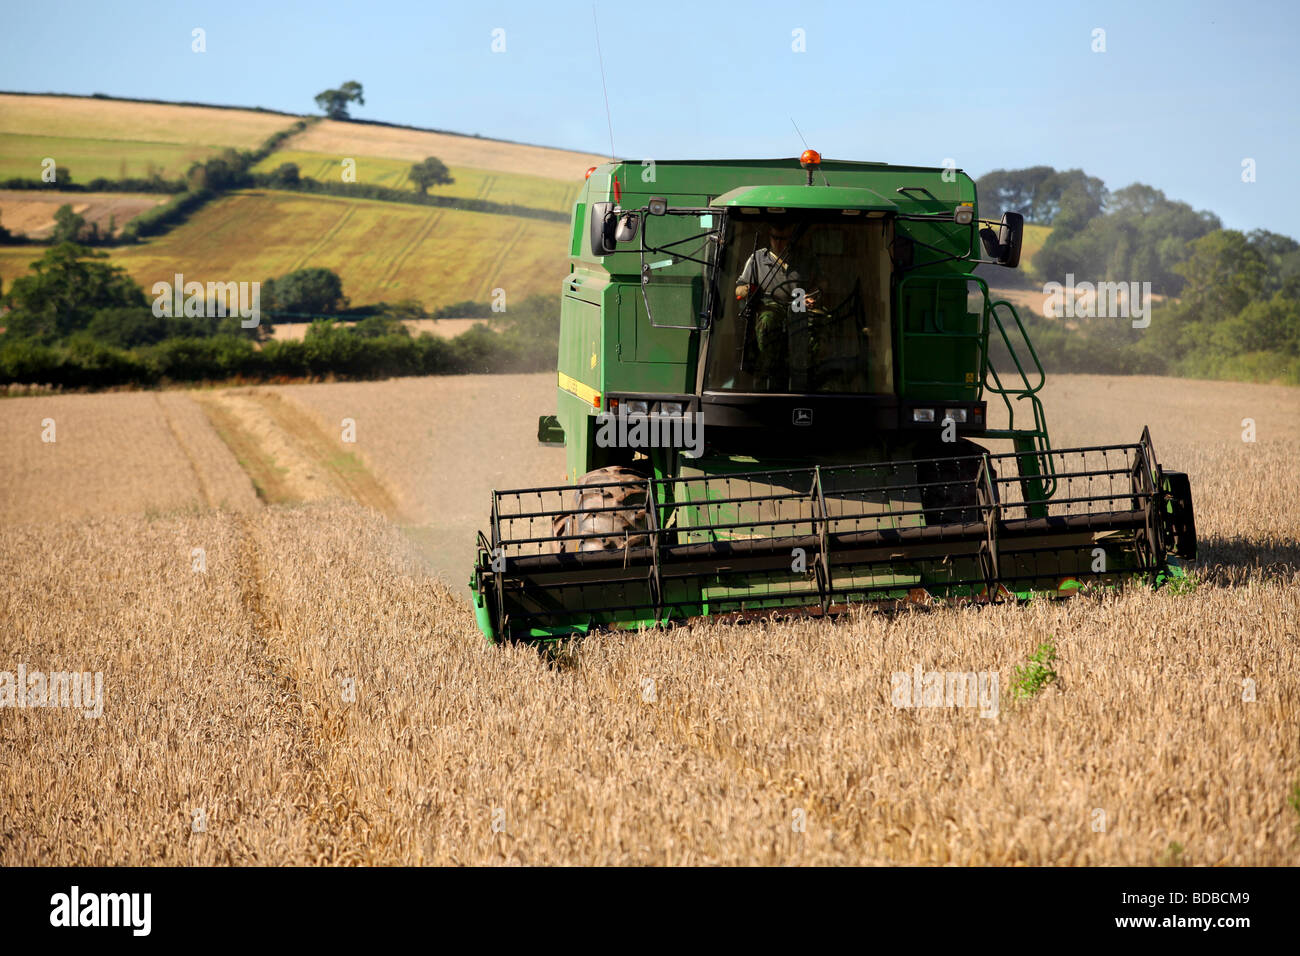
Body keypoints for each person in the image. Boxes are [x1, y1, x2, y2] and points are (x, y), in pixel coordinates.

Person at [734, 226, 819, 389]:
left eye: (783, 239)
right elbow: (739, 287)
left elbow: (821, 282)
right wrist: (747, 289)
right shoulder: (757, 258)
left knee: (810, 333)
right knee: (768, 323)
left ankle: (802, 384)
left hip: (798, 299)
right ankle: (763, 380)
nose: (779, 243)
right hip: (768, 303)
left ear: (791, 239)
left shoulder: (805, 257)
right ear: (769, 237)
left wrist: (812, 295)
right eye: (775, 238)